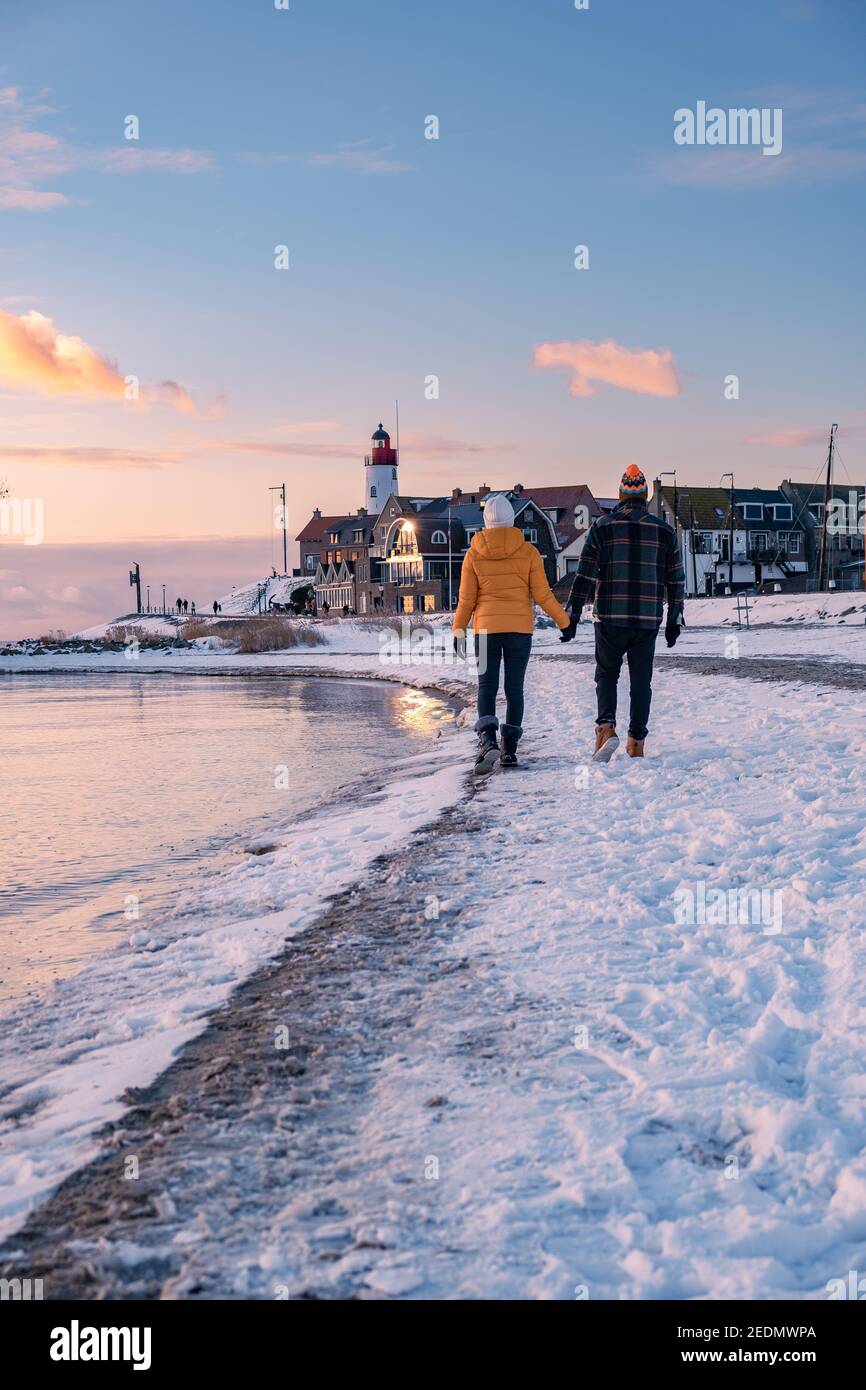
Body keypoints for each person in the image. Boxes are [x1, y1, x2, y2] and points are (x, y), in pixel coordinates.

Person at [562, 465, 685, 761]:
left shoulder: (603, 527)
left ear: (620, 496)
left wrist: (573, 615)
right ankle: (636, 743)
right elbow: (676, 580)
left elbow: (585, 576)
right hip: (646, 618)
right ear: (645, 496)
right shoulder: (664, 531)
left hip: (610, 617)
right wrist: (674, 620)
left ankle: (606, 728)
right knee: (641, 680)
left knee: (607, 674)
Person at [452, 492, 571, 773]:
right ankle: (509, 751)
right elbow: (543, 595)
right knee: (514, 689)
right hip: (519, 630)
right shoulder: (528, 552)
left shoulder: (473, 553)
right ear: (512, 519)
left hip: (485, 631)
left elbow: (466, 599)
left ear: (485, 521)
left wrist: (458, 629)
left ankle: (487, 742)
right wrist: (564, 622)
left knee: (486, 688)